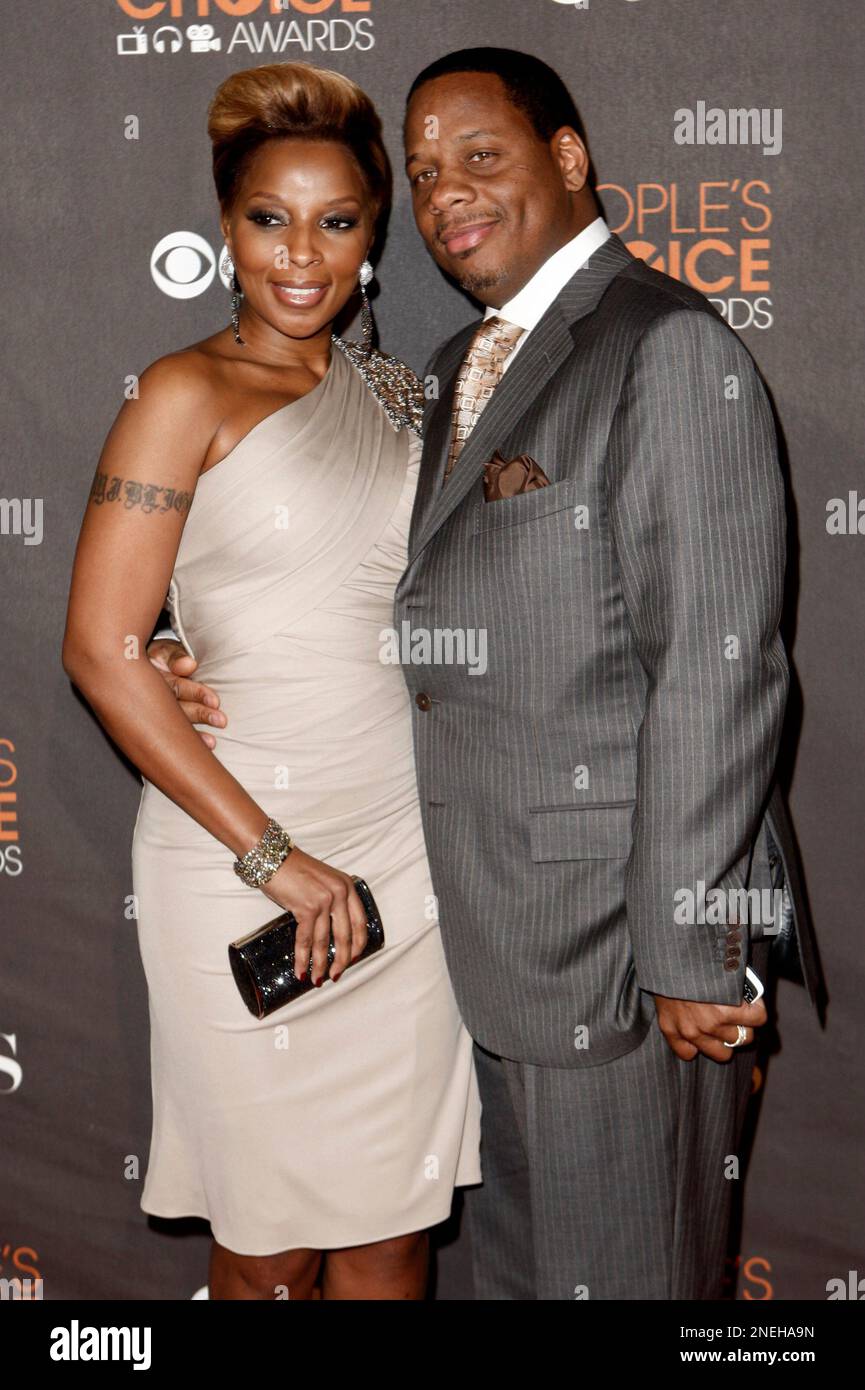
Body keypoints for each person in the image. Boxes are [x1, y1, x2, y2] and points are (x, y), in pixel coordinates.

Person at [151, 49, 823, 1300]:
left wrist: (690, 946)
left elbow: (720, 668)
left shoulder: (664, 345)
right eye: (421, 173)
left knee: (626, 1274)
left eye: (481, 155)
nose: (446, 191)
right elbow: (351, 571)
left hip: (620, 957)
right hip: (467, 940)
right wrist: (175, 641)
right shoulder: (454, 367)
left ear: (568, 161)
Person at [61, 61, 481, 1302]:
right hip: (238, 850)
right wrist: (273, 857)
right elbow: (99, 649)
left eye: (337, 221)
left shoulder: (412, 400)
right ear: (223, 233)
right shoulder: (180, 395)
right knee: (269, 1245)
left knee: (392, 1233)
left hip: (403, 853)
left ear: (374, 239)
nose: (302, 253)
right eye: (268, 218)